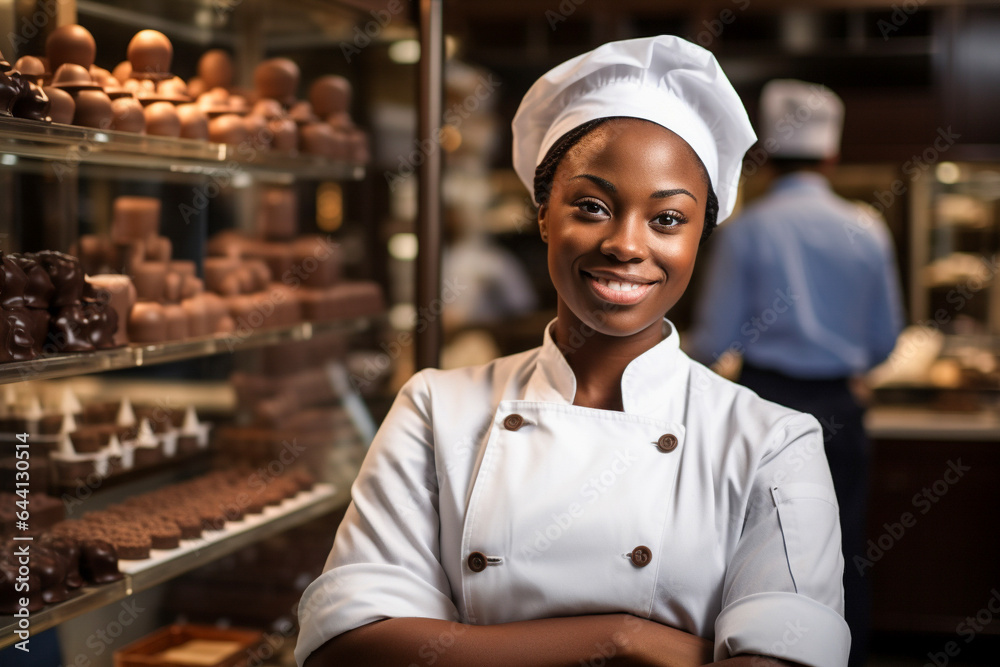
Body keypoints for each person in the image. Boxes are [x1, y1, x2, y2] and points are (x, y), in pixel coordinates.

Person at [296, 39, 850, 667]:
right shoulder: (434, 407)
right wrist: (621, 637)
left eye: (667, 219)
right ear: (542, 215)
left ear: (700, 236)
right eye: (591, 206)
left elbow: (787, 658)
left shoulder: (772, 440)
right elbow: (347, 643)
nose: (625, 244)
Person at [687, 80, 905, 667]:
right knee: (843, 552)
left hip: (764, 403)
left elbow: (712, 340)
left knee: (754, 558)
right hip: (841, 406)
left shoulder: (747, 230)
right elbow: (887, 340)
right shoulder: (868, 226)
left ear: (764, 159)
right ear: (831, 156)